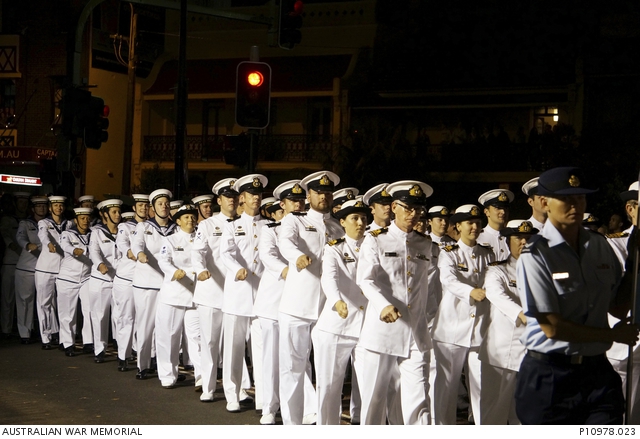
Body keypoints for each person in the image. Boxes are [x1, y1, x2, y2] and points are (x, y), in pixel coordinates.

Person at [515, 166, 639, 424]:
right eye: (566, 199)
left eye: (580, 198)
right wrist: (614, 335)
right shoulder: (535, 255)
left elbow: (616, 307)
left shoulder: (599, 245)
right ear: (544, 202)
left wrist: (634, 264)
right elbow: (553, 327)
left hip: (597, 373)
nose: (576, 205)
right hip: (550, 375)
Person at [357, 180, 435, 425]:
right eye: (408, 208)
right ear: (394, 207)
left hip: (415, 333)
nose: (414, 214)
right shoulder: (375, 240)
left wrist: (429, 318)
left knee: (419, 400)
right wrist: (383, 305)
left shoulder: (426, 243)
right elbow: (365, 279)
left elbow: (431, 287)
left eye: (418, 209)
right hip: (383, 332)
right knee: (374, 401)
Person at [278, 170, 343, 425]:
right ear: (309, 195)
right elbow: (285, 243)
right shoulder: (294, 221)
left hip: (328, 308)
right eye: (318, 192)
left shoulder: (338, 226)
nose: (324, 196)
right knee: (293, 369)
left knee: (328, 371)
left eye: (327, 192)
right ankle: (292, 424)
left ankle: (325, 422)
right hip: (297, 306)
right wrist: (297, 257)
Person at [431, 204, 495, 425]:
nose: (474, 227)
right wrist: (471, 291)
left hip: (479, 330)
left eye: (477, 223)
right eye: (469, 223)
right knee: (445, 389)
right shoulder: (448, 253)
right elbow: (448, 281)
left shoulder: (488, 253)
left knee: (482, 387)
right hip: (451, 330)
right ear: (457, 226)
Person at [253, 180, 310, 424]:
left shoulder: (312, 226)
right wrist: (286, 271)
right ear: (282, 205)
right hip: (274, 298)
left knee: (299, 357)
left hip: (301, 300)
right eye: (292, 201)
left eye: (300, 200)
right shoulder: (271, 229)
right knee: (271, 357)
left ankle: (306, 408)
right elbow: (267, 254)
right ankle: (269, 406)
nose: (298, 204)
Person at [313, 199, 369, 425]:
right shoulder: (334, 248)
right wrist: (336, 301)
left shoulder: (375, 246)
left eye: (364, 218)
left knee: (370, 386)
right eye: (354, 218)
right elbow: (329, 277)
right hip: (336, 327)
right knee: (329, 387)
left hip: (366, 327)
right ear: (343, 222)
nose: (360, 223)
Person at [479, 219, 538, 425]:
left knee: (524, 413)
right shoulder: (497, 270)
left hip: (531, 352)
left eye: (528, 238)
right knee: (493, 412)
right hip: (501, 352)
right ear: (506, 241)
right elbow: (496, 295)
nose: (524, 242)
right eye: (518, 238)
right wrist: (522, 313)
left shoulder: (541, 270)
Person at [219, 174, 269, 412]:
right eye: (251, 195)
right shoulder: (232, 226)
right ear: (243, 198)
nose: (256, 198)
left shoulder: (269, 225)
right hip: (238, 295)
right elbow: (225, 253)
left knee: (261, 349)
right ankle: (232, 394)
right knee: (234, 348)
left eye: (258, 194)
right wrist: (237, 269)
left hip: (262, 295)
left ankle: (262, 398)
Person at [192, 178, 239, 402]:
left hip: (237, 294)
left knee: (234, 345)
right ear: (219, 200)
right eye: (228, 196)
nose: (232, 200)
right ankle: (208, 387)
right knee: (210, 342)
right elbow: (198, 252)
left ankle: (236, 390)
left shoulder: (244, 224)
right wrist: (200, 270)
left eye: (235, 196)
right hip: (211, 291)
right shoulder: (207, 225)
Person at [131, 189, 177, 379]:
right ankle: (143, 365)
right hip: (147, 283)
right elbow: (136, 245)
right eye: (160, 204)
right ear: (153, 208)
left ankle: (164, 366)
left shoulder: (176, 228)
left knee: (166, 327)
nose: (164, 207)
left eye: (166, 204)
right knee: (146, 325)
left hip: (168, 284)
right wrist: (140, 254)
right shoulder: (144, 227)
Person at [156, 204, 199, 389]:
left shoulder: (200, 238)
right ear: (178, 221)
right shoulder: (171, 240)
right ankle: (168, 374)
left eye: (192, 217)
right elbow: (163, 261)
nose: (190, 220)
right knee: (169, 336)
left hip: (195, 294)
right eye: (186, 217)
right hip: (174, 293)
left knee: (197, 337)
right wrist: (175, 271)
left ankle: (202, 376)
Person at [112, 195, 148, 371]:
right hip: (126, 278)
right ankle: (123, 355)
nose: (143, 208)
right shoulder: (125, 226)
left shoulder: (151, 226)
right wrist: (129, 252)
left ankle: (144, 357)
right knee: (126, 318)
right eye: (140, 205)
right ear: (134, 208)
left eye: (146, 205)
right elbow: (121, 242)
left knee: (144, 320)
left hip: (144, 279)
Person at [88, 199, 122, 363]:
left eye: (118, 211)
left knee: (120, 315)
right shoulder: (97, 232)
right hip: (101, 279)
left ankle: (122, 348)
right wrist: (100, 264)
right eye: (114, 212)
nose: (118, 215)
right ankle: (100, 349)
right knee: (100, 316)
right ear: (105, 214)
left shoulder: (123, 231)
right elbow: (94, 251)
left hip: (119, 280)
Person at [56, 207, 93, 357]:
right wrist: (73, 250)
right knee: (68, 313)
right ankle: (68, 343)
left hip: (87, 278)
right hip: (67, 278)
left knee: (89, 309)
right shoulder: (67, 234)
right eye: (82, 218)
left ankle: (89, 342)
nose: (85, 221)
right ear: (76, 220)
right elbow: (64, 245)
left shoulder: (93, 234)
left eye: (87, 218)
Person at [35, 195, 69, 349]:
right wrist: (48, 244)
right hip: (46, 268)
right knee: (44, 303)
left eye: (61, 205)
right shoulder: (44, 223)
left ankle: (62, 336)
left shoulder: (68, 224)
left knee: (62, 303)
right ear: (50, 208)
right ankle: (46, 337)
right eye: (55, 206)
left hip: (63, 268)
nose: (58, 208)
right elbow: (43, 235)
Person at [14, 196, 48, 343]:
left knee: (45, 302)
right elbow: (20, 237)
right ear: (33, 209)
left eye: (44, 206)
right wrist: (27, 245)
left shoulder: (50, 224)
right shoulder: (26, 223)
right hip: (27, 267)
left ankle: (45, 333)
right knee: (25, 301)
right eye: (38, 206)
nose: (41, 209)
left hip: (45, 268)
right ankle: (24, 333)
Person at [0, 192, 29, 338]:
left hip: (25, 265)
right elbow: (6, 237)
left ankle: (24, 328)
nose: (23, 205)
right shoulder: (7, 220)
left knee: (25, 299)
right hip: (10, 262)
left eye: (25, 202)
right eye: (20, 202)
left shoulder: (30, 221)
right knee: (8, 298)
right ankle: (6, 328)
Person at [477, 189, 514, 259]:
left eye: (505, 208)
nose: (503, 212)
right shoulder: (478, 238)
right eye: (498, 208)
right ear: (487, 212)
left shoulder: (513, 237)